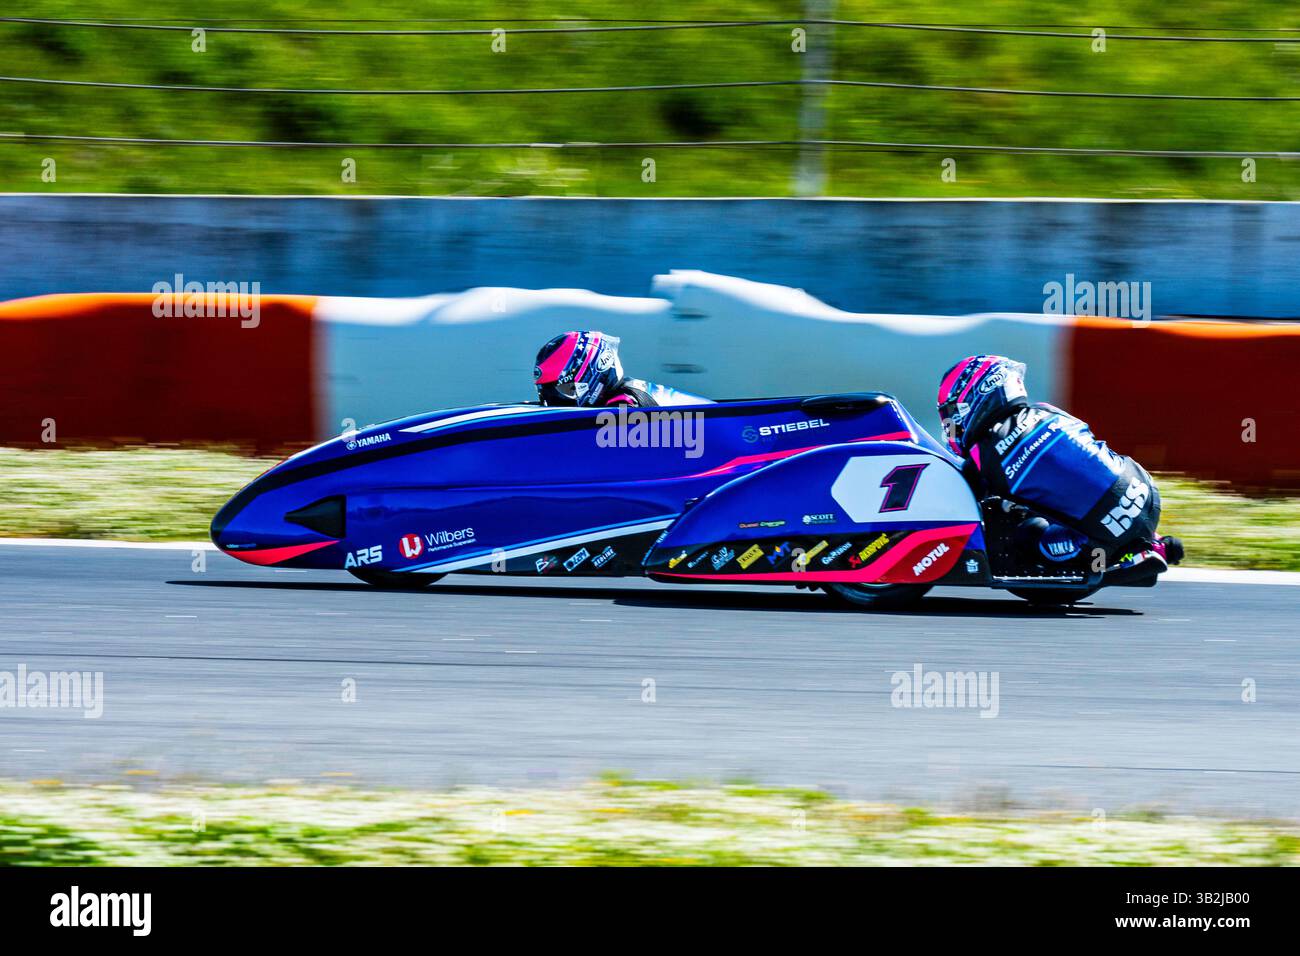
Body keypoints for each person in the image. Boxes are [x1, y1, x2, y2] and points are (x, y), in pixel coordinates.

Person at [936, 354, 1183, 579]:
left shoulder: (984, 452)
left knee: (1022, 535)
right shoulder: (1046, 410)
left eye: (953, 413)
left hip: (1100, 541)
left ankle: (1113, 559)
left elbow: (965, 503)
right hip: (1146, 494)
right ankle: (1152, 542)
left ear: (978, 396)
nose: (952, 423)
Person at [533, 331, 711, 408]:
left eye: (561, 391)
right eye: (547, 393)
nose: (553, 400)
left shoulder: (625, 403)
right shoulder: (618, 397)